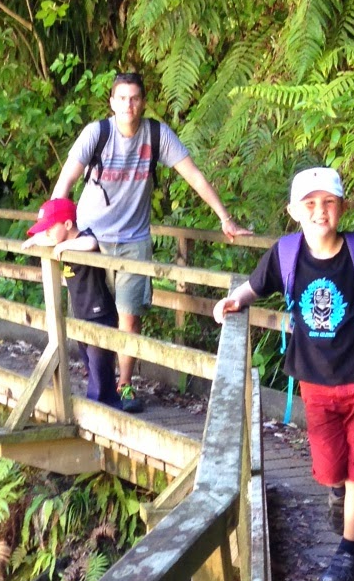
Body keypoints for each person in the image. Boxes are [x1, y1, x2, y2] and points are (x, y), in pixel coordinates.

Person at [213, 166, 354, 581]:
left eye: (329, 203)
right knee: (330, 469)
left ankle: (349, 552)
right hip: (315, 384)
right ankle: (337, 494)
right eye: (311, 204)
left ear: (343, 208)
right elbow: (253, 287)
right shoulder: (286, 254)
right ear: (294, 210)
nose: (321, 212)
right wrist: (233, 300)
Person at [52, 71, 250, 413]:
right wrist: (56, 229)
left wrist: (225, 218)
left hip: (133, 240)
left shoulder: (157, 135)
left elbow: (194, 175)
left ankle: (124, 385)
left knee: (128, 316)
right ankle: (100, 385)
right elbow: (64, 183)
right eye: (121, 98)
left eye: (135, 98)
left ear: (143, 102)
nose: (128, 105)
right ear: (111, 102)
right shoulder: (96, 134)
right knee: (93, 318)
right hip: (89, 239)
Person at [22, 196, 120, 406]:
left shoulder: (83, 238)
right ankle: (106, 405)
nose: (46, 233)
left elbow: (92, 242)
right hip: (82, 312)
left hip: (99, 312)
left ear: (68, 224)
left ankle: (100, 407)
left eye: (50, 228)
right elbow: (44, 237)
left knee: (99, 365)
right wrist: (34, 240)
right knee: (90, 364)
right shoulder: (61, 240)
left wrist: (65, 246)